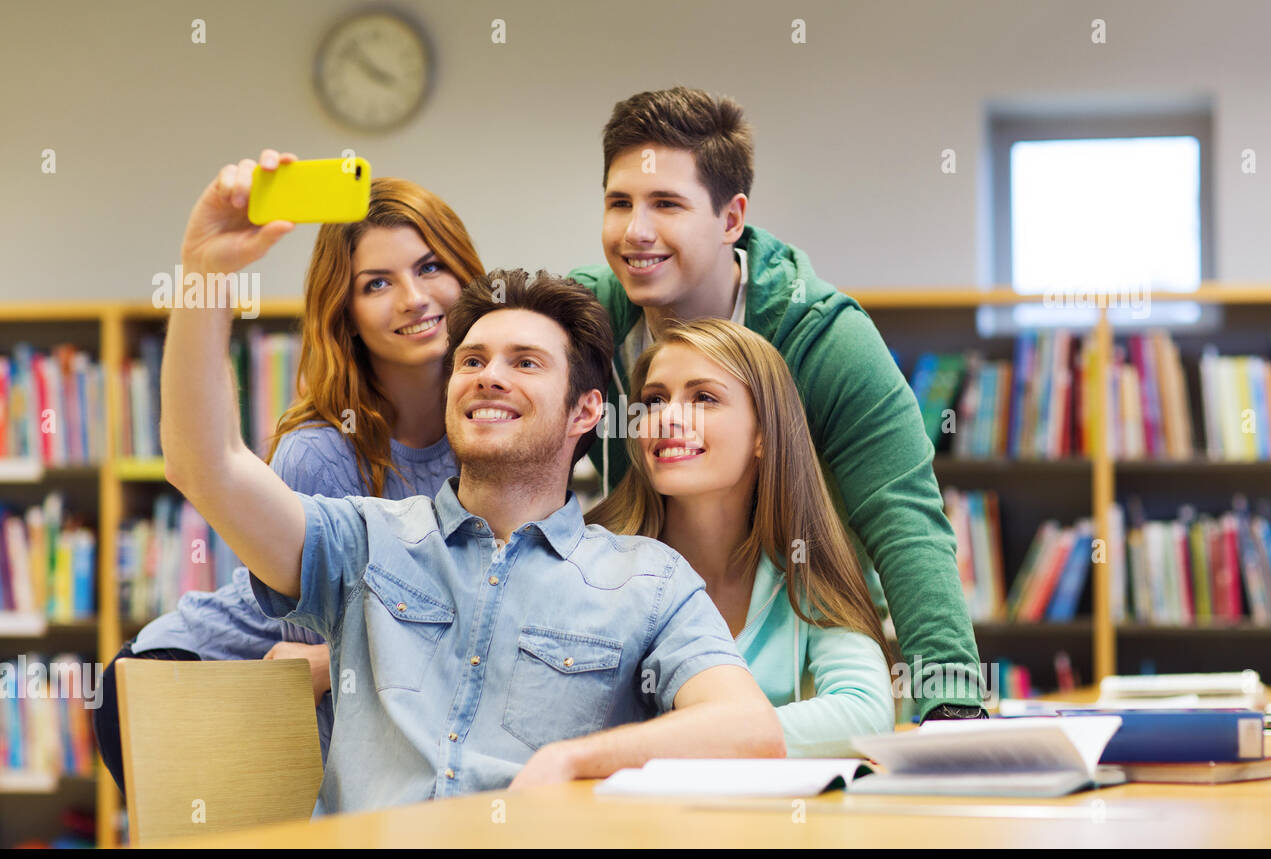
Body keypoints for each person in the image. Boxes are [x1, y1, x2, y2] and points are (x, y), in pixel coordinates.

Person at [158, 150, 784, 814]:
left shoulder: (648, 581)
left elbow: (750, 731)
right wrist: (206, 272)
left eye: (526, 362)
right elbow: (203, 464)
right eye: (473, 359)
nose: (490, 376)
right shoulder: (362, 540)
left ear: (586, 411)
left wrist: (573, 761)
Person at [569, 87, 987, 720]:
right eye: (619, 203)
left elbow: (904, 519)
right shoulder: (587, 320)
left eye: (667, 204)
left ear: (731, 219)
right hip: (647, 620)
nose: (636, 232)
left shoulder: (826, 337)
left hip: (794, 630)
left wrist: (952, 704)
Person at [92, 174, 482, 796]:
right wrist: (344, 658)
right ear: (346, 315)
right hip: (202, 676)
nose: (412, 298)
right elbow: (312, 675)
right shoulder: (320, 455)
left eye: (431, 266)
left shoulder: (493, 432)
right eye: (376, 283)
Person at [587, 319, 895, 754]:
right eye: (654, 400)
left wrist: (677, 744)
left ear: (764, 435)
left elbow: (865, 714)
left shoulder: (804, 570)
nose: (667, 418)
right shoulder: (591, 562)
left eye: (704, 398)